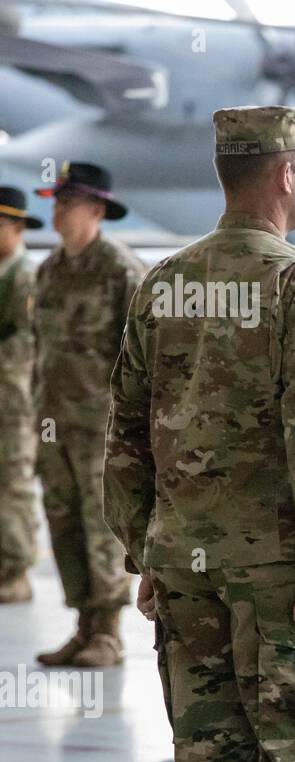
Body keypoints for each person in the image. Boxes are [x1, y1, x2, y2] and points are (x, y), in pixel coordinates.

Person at [103, 106, 295, 762]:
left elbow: (122, 431)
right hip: (277, 580)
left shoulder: (164, 283)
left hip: (184, 567)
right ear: (285, 174)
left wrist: (143, 549)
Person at [32, 163, 144, 667]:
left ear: (96, 210)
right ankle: (82, 623)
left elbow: (143, 357)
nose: (57, 210)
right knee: (63, 521)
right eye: (55, 201)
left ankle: (108, 631)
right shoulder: (49, 271)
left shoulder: (122, 271)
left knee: (103, 525)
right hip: (53, 422)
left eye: (67, 202)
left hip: (102, 426)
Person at [0, 187, 42, 604]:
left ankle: (13, 571)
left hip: (13, 401)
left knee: (13, 484)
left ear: (16, 227)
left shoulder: (25, 277)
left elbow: (26, 344)